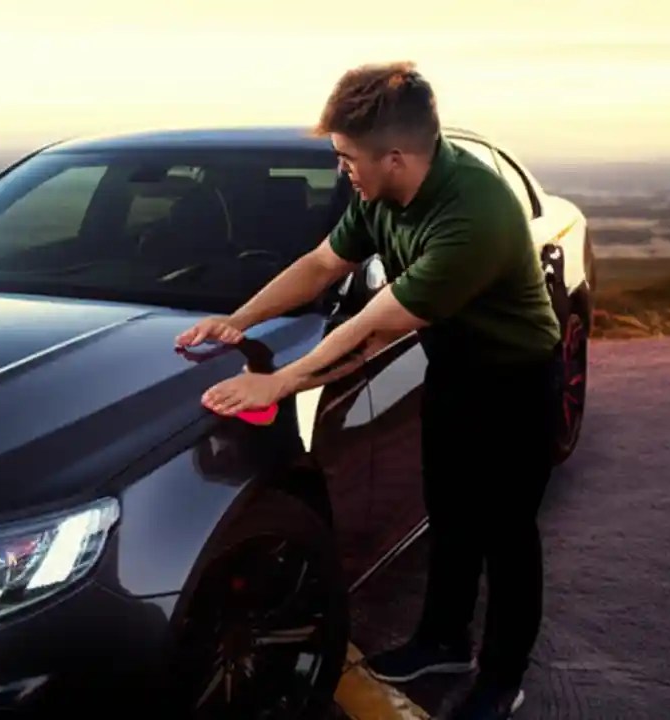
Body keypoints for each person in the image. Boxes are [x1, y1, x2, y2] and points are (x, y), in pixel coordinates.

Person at [174, 61, 562, 720]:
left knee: (506, 534)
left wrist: (279, 381)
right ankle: (441, 641)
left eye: (348, 157)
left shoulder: (474, 216)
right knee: (453, 511)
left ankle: (502, 679)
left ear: (396, 156)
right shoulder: (379, 196)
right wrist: (240, 320)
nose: (342, 169)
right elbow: (323, 265)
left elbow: (368, 334)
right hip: (457, 372)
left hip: (517, 380)